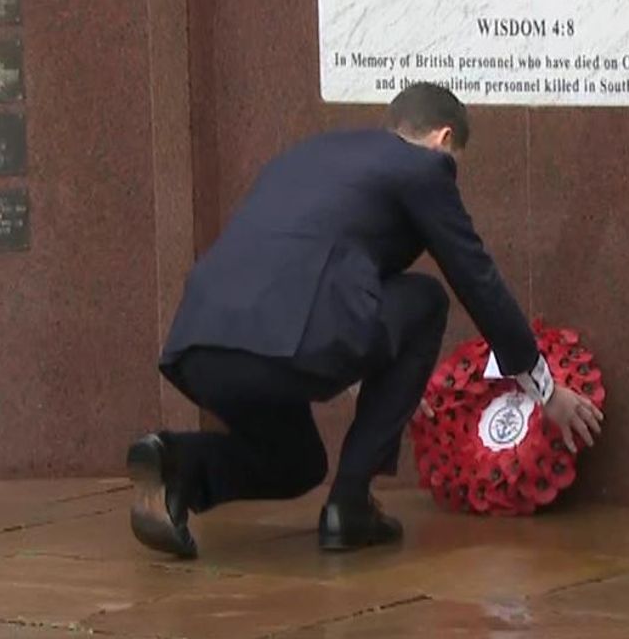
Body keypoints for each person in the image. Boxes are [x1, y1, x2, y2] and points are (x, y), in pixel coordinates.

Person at [127, 82, 604, 558]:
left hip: (201, 343)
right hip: (291, 343)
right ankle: (351, 502)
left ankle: (175, 467)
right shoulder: (422, 167)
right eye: (453, 160)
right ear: (442, 140)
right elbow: (477, 279)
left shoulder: (307, 156)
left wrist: (385, 376)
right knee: (427, 300)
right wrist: (543, 387)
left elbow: (311, 267)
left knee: (297, 463)